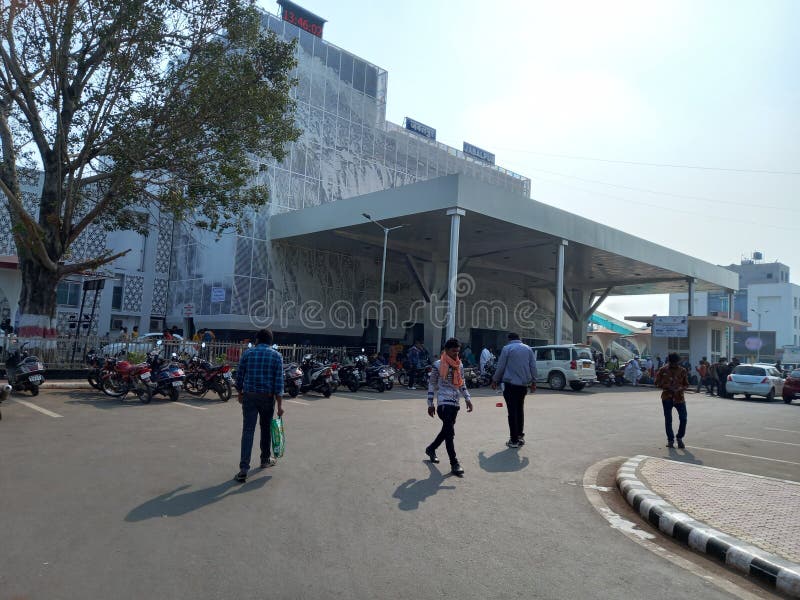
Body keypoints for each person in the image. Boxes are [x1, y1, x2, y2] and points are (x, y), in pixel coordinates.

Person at [234, 328, 284, 483]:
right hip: (267, 398)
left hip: (249, 396)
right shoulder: (277, 356)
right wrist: (280, 406)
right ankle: (264, 460)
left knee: (248, 430)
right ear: (270, 341)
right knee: (265, 429)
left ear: (257, 340)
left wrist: (240, 394)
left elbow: (239, 376)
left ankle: (243, 469)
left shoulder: (248, 354)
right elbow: (279, 383)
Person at [425, 337, 473, 476]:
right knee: (450, 433)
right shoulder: (438, 365)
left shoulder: (459, 365)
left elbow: (462, 383)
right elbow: (432, 384)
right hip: (443, 403)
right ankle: (454, 463)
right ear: (446, 350)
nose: (456, 354)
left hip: (455, 403)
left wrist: (467, 399)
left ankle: (431, 448)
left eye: (457, 352)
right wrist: (430, 403)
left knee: (447, 430)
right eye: (453, 352)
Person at [492, 332, 537, 448]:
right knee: (519, 410)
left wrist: (495, 380)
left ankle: (514, 440)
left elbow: (501, 366)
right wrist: (534, 382)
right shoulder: (528, 349)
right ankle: (520, 436)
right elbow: (533, 366)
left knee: (512, 412)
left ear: (509, 339)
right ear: (519, 339)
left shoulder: (507, 348)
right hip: (523, 386)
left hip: (510, 385)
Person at [654, 352, 689, 448]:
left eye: (676, 362)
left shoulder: (682, 370)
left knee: (683, 418)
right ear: (669, 361)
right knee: (668, 420)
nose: (675, 364)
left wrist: (680, 388)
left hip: (679, 398)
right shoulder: (663, 370)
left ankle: (679, 438)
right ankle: (670, 440)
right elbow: (656, 383)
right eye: (673, 363)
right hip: (667, 397)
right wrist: (667, 386)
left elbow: (686, 384)